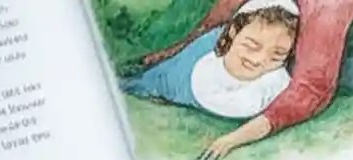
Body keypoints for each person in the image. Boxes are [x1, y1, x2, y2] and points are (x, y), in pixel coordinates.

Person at [140, 0, 353, 160]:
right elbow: (225, 14)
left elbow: (312, 89)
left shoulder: (327, 9)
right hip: (330, 27)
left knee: (277, 51)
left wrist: (234, 139)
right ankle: (160, 80)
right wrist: (174, 52)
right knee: (244, 33)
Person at [122, 0, 300, 125]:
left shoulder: (274, 81)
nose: (258, 60)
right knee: (155, 78)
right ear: (233, 32)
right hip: (197, 66)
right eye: (251, 46)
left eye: (276, 56)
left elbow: (246, 104)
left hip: (196, 89)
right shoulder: (212, 42)